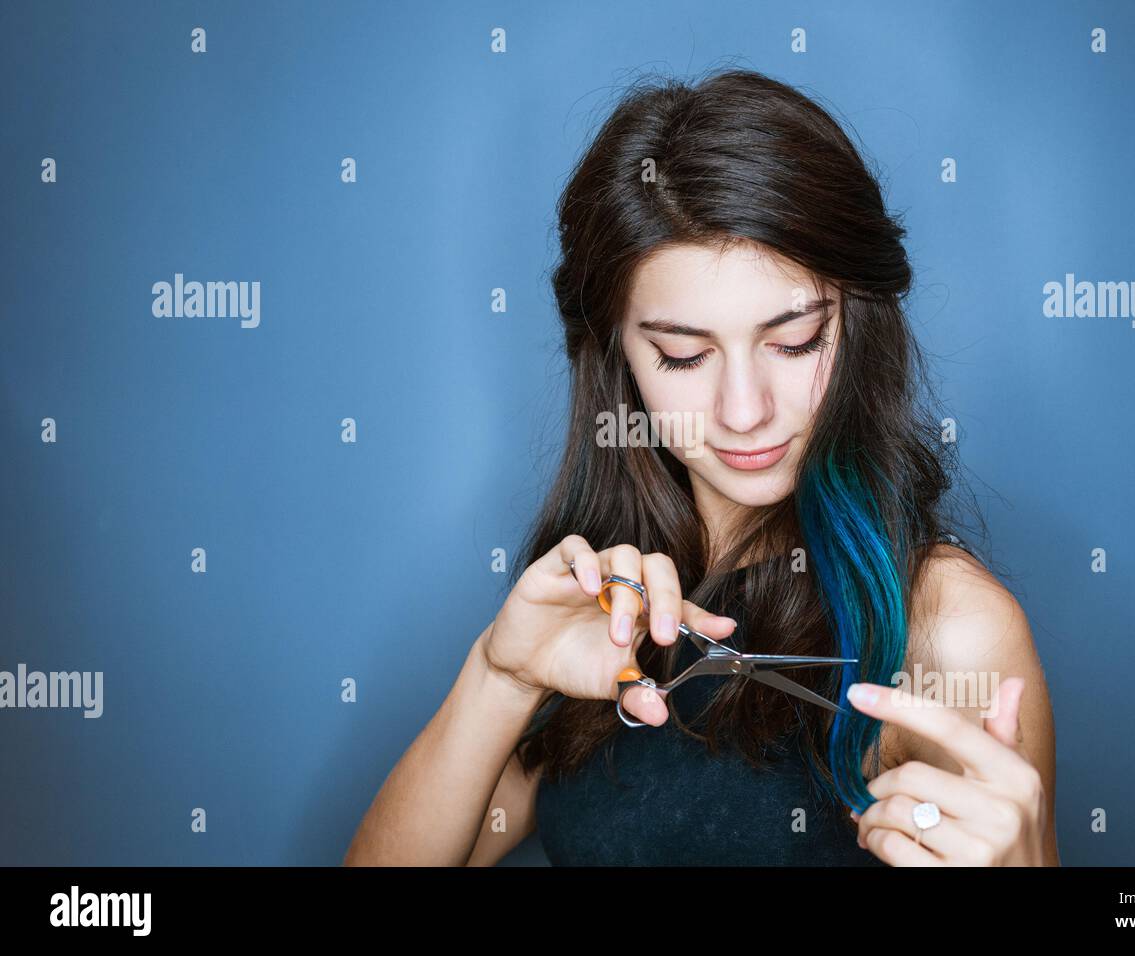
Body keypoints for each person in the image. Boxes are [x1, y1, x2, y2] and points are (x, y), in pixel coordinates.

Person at [344, 68, 1059, 867]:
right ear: (617, 357)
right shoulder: (607, 606)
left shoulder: (947, 627)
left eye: (792, 342)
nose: (743, 410)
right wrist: (498, 677)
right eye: (684, 356)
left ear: (858, 325)